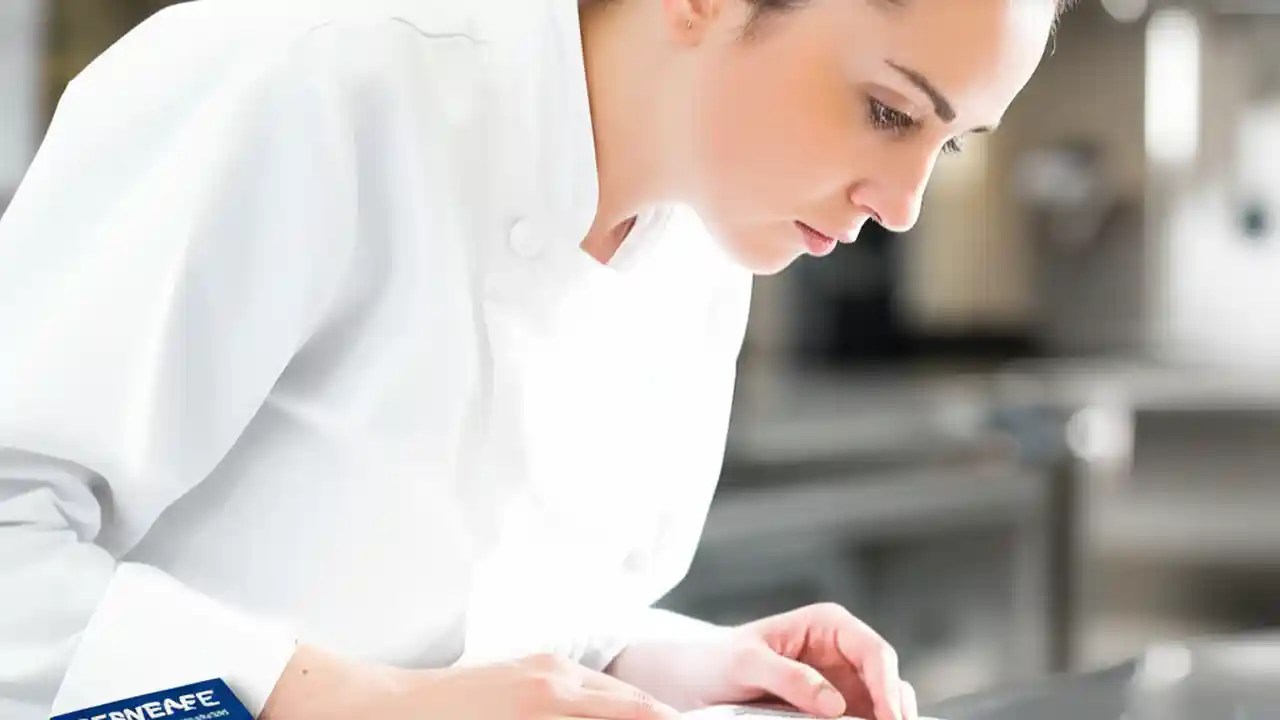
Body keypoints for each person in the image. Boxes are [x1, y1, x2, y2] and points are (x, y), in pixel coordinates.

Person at [0, 0, 1072, 718]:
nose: (900, 205)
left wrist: (658, 664)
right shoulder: (303, 78)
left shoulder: (704, 232)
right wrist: (369, 709)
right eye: (885, 112)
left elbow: (461, 609)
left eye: (948, 144)